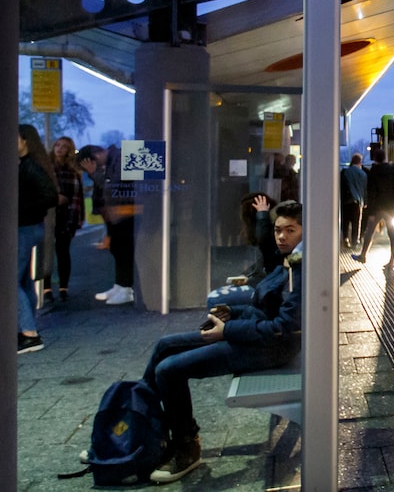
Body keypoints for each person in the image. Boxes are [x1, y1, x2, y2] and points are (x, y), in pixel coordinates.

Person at [141, 200, 303, 483]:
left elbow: (282, 327)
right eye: (278, 230)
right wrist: (232, 313)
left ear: (305, 231)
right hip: (253, 334)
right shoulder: (287, 260)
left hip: (269, 348)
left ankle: (187, 446)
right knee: (164, 346)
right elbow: (265, 307)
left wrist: (227, 331)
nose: (281, 237)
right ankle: (141, 426)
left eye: (290, 230)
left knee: (169, 370)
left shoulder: (299, 269)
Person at [17, 125, 59, 354]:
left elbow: (50, 196)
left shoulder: (30, 166)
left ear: (25, 141)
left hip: (24, 227)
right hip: (30, 227)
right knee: (22, 281)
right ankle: (27, 330)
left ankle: (29, 334)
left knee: (10, 282)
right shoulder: (29, 165)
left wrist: (21, 208)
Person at [79, 143, 137, 305]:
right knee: (118, 248)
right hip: (121, 212)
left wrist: (95, 173)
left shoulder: (120, 158)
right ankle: (121, 285)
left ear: (96, 156)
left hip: (126, 211)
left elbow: (113, 187)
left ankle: (126, 287)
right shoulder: (115, 159)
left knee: (123, 248)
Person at [48, 135, 84, 303]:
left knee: (63, 252)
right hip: (48, 215)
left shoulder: (73, 172)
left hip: (66, 216)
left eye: (64, 146)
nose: (59, 148)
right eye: (57, 145)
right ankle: (46, 288)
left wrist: (80, 217)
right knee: (46, 252)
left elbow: (79, 196)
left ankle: (63, 288)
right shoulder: (47, 167)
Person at [354, 148, 394, 267]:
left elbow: (372, 192)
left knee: (369, 231)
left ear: (374, 158)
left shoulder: (374, 171)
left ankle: (363, 255)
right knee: (392, 233)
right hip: (390, 206)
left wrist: (371, 212)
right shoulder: (392, 169)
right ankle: (392, 261)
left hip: (378, 207)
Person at [340, 153, 368, 250]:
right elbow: (365, 189)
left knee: (345, 221)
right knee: (356, 223)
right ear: (360, 162)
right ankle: (355, 242)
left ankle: (345, 239)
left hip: (346, 201)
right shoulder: (363, 174)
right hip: (358, 201)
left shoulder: (345, 172)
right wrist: (365, 201)